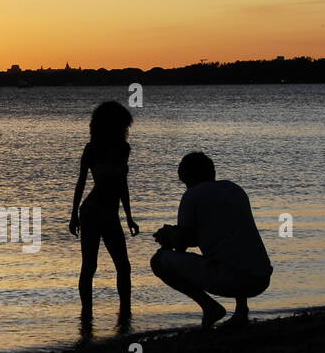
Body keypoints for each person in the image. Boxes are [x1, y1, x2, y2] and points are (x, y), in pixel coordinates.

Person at [151, 151, 271, 330]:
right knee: (233, 246)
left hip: (232, 279)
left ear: (187, 177)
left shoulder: (192, 196)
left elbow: (183, 244)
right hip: (261, 277)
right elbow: (222, 234)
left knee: (158, 261)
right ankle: (241, 311)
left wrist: (167, 236)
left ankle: (210, 307)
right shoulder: (234, 189)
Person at [69, 101, 139, 321]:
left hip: (111, 214)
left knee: (123, 266)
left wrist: (129, 216)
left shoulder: (123, 149)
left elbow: (122, 184)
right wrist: (73, 215)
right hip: (91, 212)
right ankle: (86, 315)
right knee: (90, 265)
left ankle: (125, 313)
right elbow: (81, 182)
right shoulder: (91, 150)